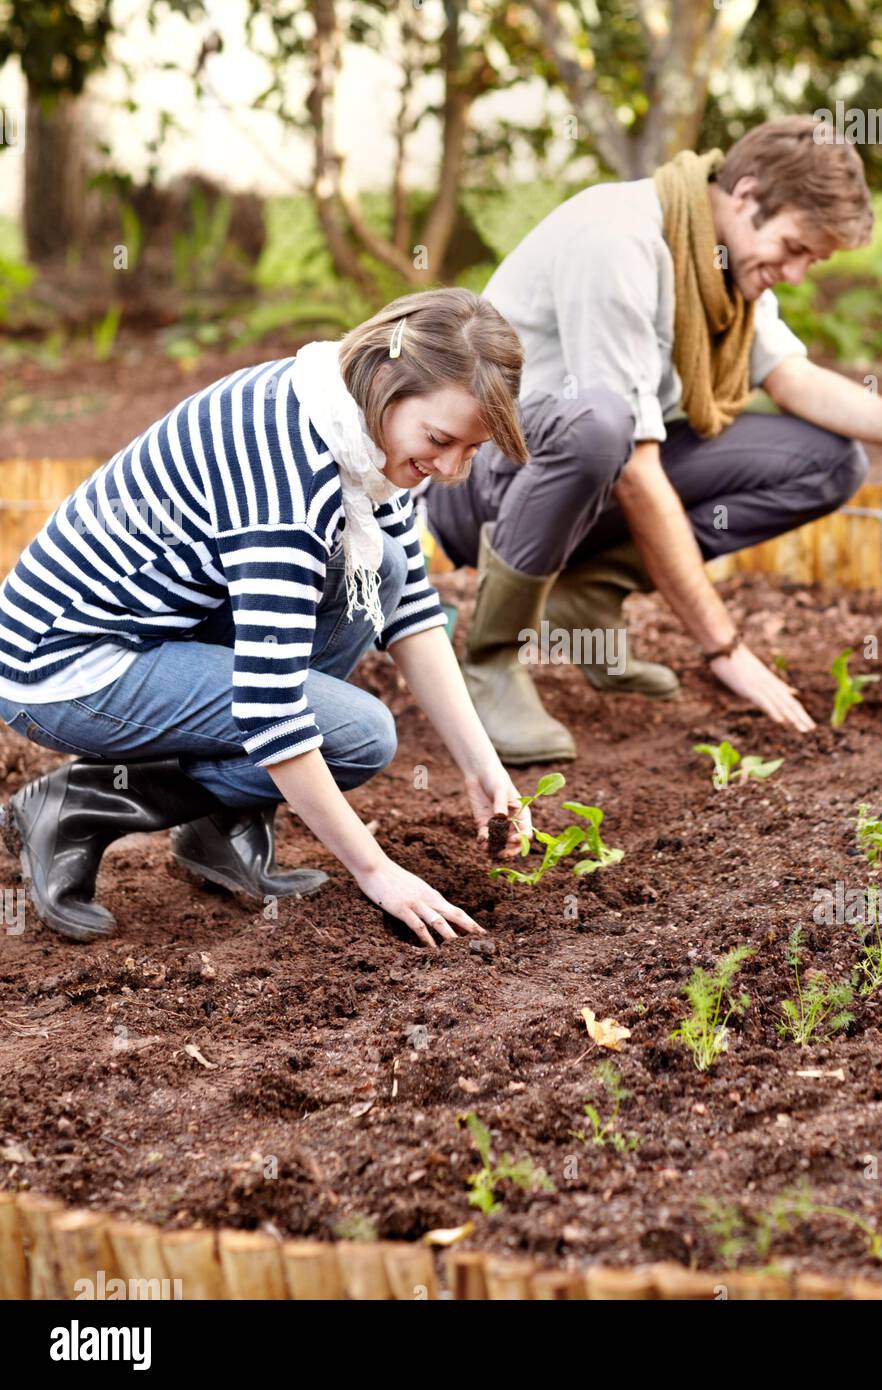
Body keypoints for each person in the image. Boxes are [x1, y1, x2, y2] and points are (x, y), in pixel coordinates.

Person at [426, 115, 882, 764]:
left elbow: (793, 378)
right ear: (746, 197)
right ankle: (490, 662)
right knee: (602, 426)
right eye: (796, 248)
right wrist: (725, 649)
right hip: (485, 480)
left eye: (813, 260)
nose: (797, 274)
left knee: (827, 462)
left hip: (583, 476)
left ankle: (585, 595)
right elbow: (632, 464)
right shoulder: (617, 243)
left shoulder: (717, 258)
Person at [0, 288, 532, 949]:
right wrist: (377, 871)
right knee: (361, 735)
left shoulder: (348, 419)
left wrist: (484, 767)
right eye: (440, 440)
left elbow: (410, 604)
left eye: (471, 451)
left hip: (164, 625)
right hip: (66, 663)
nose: (450, 469)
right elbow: (270, 709)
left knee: (384, 567)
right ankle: (80, 804)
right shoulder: (289, 475)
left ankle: (219, 830)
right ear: (389, 380)